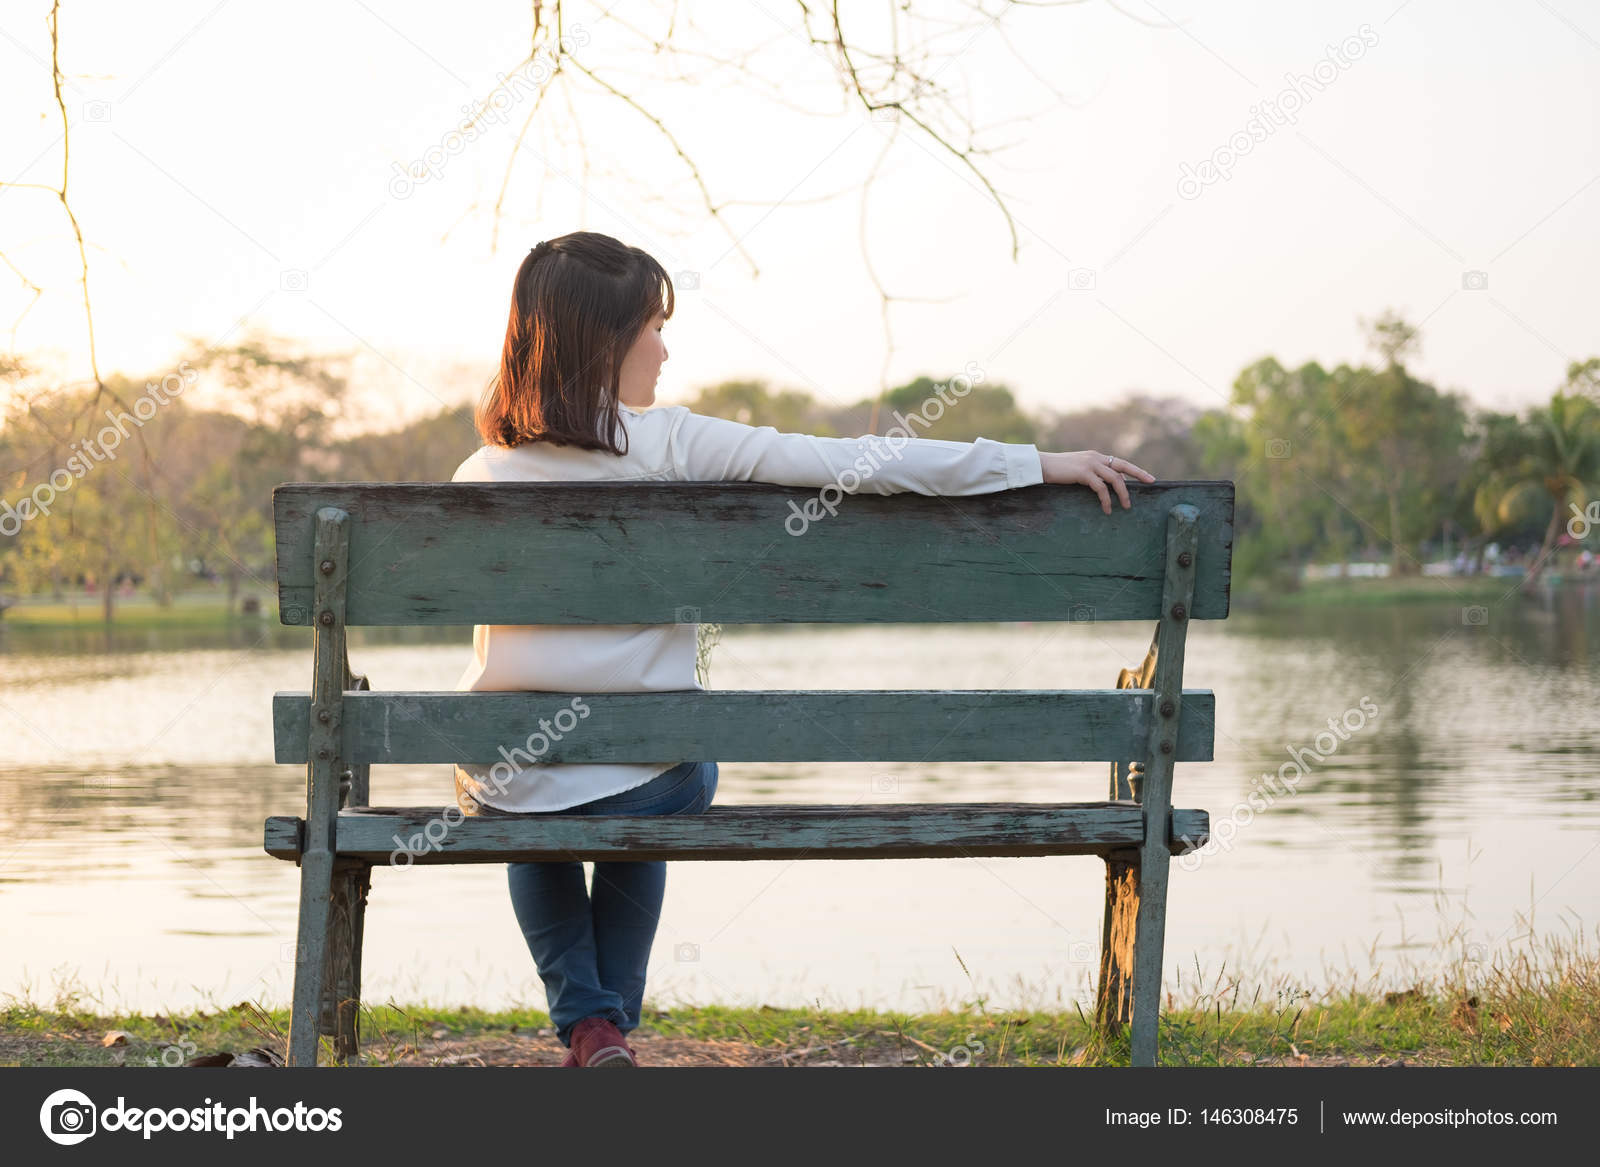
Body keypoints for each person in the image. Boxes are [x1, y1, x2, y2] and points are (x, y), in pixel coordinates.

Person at [449, 230, 1156, 1067]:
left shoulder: (476, 480)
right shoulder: (676, 444)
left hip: (507, 774)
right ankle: (608, 1026)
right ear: (603, 338)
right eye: (652, 325)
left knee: (538, 806)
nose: (666, 347)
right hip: (647, 782)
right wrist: (1037, 462)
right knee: (664, 774)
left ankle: (590, 1025)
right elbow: (862, 462)